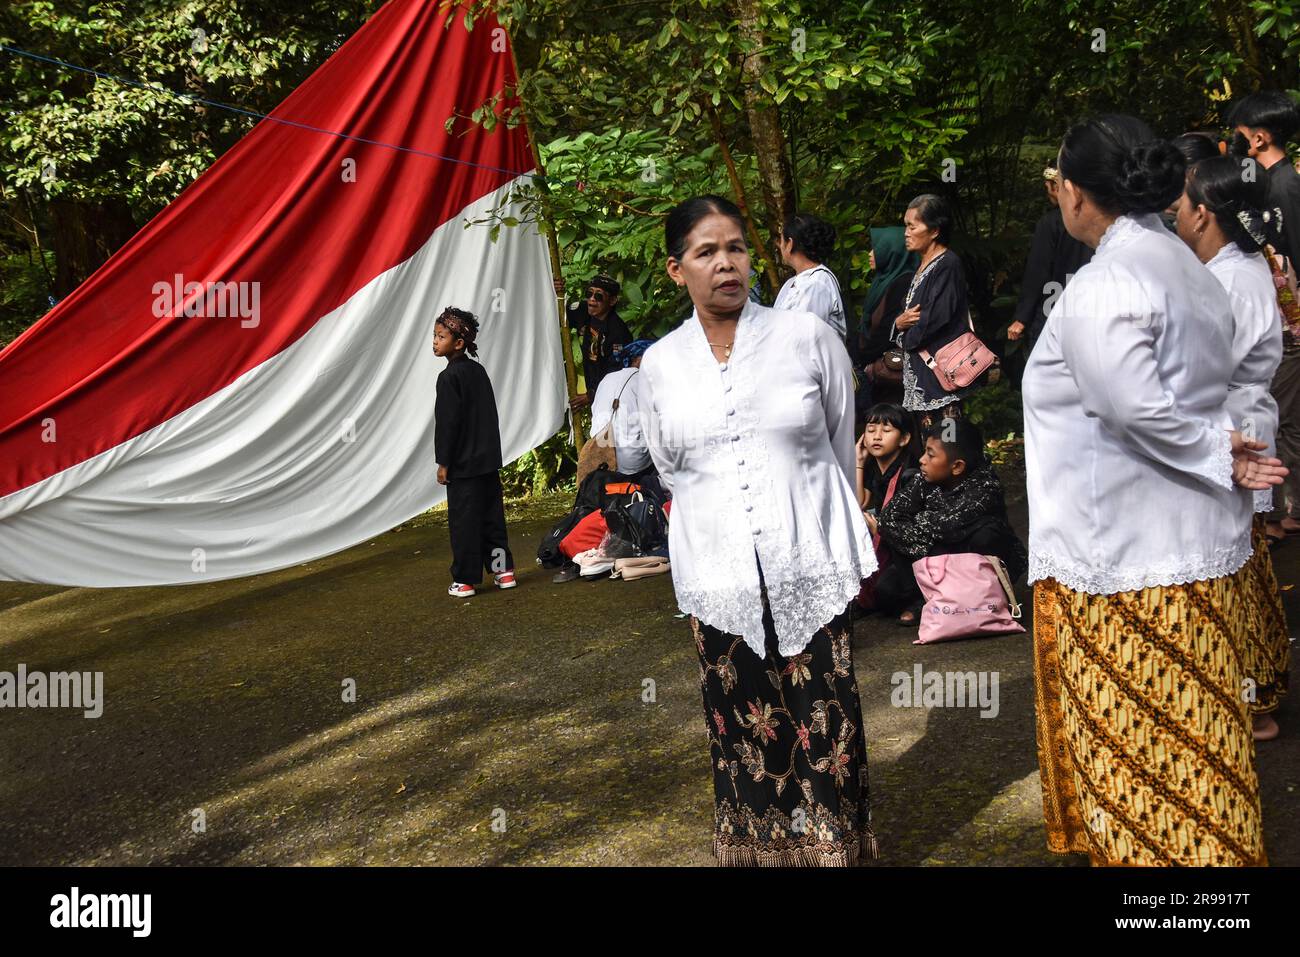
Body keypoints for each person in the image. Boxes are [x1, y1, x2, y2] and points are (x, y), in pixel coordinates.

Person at [1023, 114, 1286, 866]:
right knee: (1199, 758)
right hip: (1185, 553)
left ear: (1075, 194)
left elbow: (1128, 404)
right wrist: (1228, 450)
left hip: (1125, 568)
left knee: (1147, 772)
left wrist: (1218, 449)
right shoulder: (1183, 264)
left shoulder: (1110, 281)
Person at [639, 194, 879, 866]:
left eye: (736, 247)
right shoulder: (661, 364)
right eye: (706, 252)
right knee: (744, 727)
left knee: (825, 723)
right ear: (675, 270)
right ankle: (764, 853)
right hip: (719, 574)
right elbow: (670, 468)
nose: (726, 263)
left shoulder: (806, 338)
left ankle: (838, 852)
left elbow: (839, 440)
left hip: (808, 559)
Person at [1175, 154, 1290, 741]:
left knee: (1236, 567)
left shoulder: (1233, 278)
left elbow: (1212, 366)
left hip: (1233, 421)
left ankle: (1257, 701)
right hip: (1229, 419)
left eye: (1182, 201)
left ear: (1203, 214)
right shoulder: (1224, 267)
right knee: (1239, 564)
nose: (1173, 210)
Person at [1226, 93, 1300, 543]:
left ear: (1258, 137)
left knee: (1283, 415)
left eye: (1237, 133)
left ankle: (1284, 510)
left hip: (1290, 319)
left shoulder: (1285, 186)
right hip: (1282, 318)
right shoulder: (1271, 183)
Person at [875, 418, 1027, 586]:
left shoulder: (986, 487)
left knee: (986, 534)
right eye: (925, 451)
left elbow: (949, 525)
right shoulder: (926, 476)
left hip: (973, 566)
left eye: (930, 455)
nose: (922, 459)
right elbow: (888, 518)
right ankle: (931, 595)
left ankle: (975, 598)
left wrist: (917, 519)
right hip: (937, 559)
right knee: (887, 588)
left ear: (957, 467)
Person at [433, 307, 516, 599]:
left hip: (464, 468)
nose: (435, 341)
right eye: (435, 335)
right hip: (487, 463)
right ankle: (503, 572)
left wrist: (444, 462)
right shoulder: (478, 371)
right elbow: (489, 417)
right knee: (492, 518)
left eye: (441, 336)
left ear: (458, 343)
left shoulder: (448, 378)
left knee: (464, 523)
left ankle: (465, 580)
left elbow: (448, 425)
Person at [893, 194, 977, 421]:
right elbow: (907, 317)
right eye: (905, 226)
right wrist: (899, 324)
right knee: (929, 448)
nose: (906, 233)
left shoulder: (947, 264)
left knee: (948, 445)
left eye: (912, 226)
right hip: (924, 373)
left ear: (935, 230)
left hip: (941, 373)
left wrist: (904, 339)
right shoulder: (923, 265)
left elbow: (934, 318)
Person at [1006, 163, 1092, 356]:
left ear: (1058, 186)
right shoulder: (1099, 219)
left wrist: (1022, 318)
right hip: (1089, 308)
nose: (1048, 194)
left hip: (1052, 310)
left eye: (1048, 188)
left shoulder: (1051, 223)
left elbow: (1038, 271)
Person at [853, 403, 922, 623]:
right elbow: (859, 504)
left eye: (886, 430)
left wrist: (881, 528)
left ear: (904, 439)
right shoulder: (874, 467)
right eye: (871, 430)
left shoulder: (911, 472)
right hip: (884, 543)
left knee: (886, 591)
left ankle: (919, 602)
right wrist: (859, 463)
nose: (877, 437)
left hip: (908, 553)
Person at [858, 227, 917, 409]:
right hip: (879, 367)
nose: (870, 254)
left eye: (877, 248)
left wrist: (861, 355)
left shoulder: (903, 282)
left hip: (892, 371)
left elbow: (886, 328)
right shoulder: (884, 280)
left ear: (892, 251)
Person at [555, 273, 633, 408]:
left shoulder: (618, 333)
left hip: (612, 397)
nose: (591, 300)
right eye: (589, 293)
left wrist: (591, 395)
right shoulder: (583, 310)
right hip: (591, 385)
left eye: (598, 296)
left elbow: (617, 371)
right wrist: (554, 291)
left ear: (612, 300)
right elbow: (559, 313)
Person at [773, 212, 848, 339]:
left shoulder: (818, 283)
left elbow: (801, 337)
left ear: (790, 244)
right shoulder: (793, 282)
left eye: (781, 240)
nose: (779, 246)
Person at [588, 338, 656, 477]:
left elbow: (595, 412)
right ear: (639, 359)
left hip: (601, 456)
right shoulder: (647, 382)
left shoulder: (607, 378)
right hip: (633, 463)